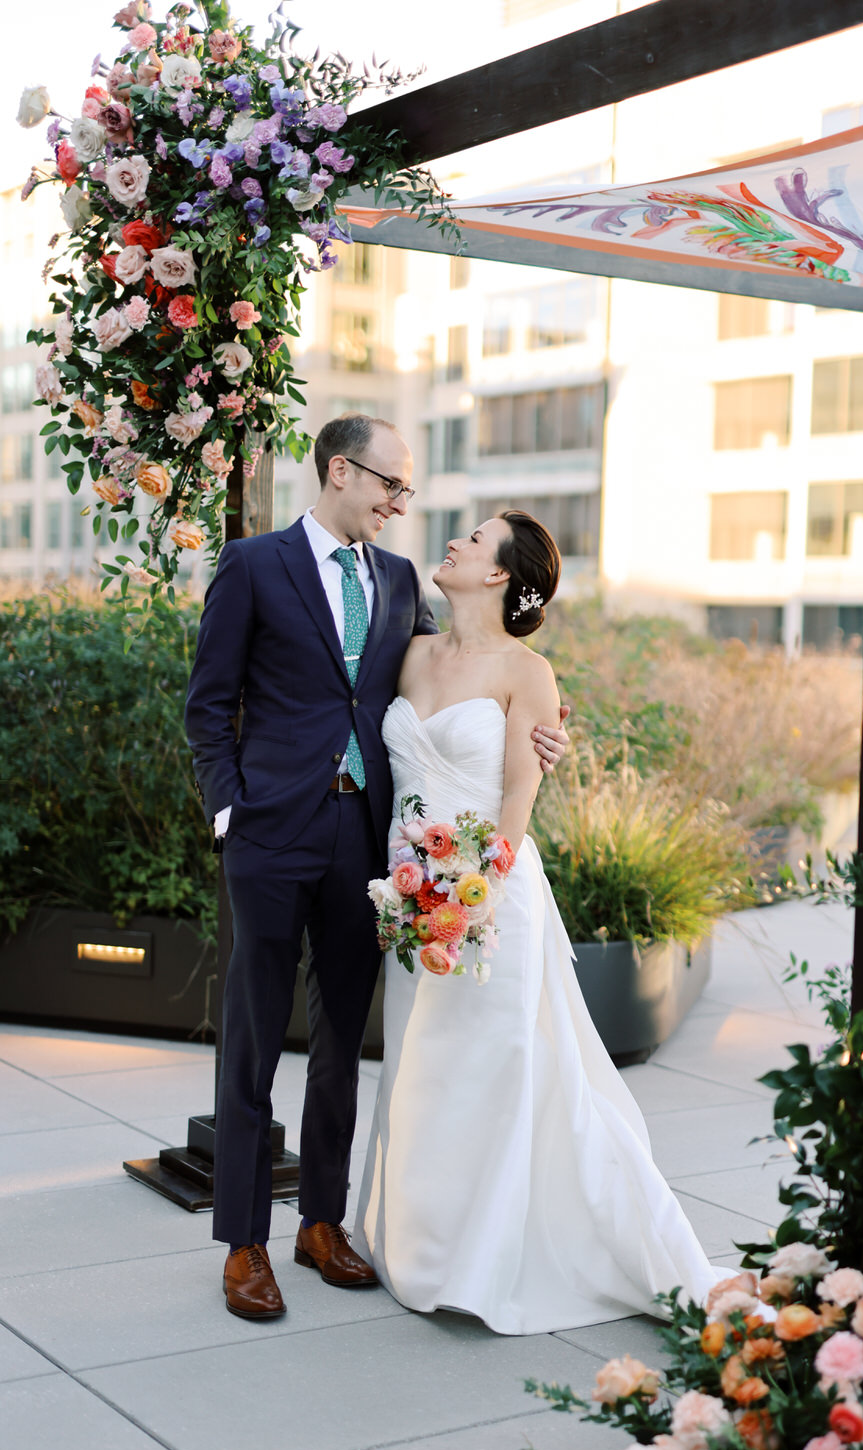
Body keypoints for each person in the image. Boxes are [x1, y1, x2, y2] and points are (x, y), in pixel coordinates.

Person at [184, 415, 567, 1321]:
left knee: (339, 1044)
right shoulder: (252, 566)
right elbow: (209, 704)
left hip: (368, 847)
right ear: (342, 471)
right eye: (392, 485)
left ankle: (321, 1223)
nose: (403, 503)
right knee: (250, 1042)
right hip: (270, 840)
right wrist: (230, 810)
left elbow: (464, 673)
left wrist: (546, 726)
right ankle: (244, 1243)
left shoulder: (399, 583)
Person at [353, 510, 732, 1333]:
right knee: (422, 1064)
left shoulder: (530, 672)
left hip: (485, 899)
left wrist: (468, 896)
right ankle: (423, 1241)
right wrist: (419, 895)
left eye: (473, 538)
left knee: (496, 1068)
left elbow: (518, 798)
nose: (451, 541)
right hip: (408, 892)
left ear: (498, 575)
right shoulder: (412, 650)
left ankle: (488, 1258)